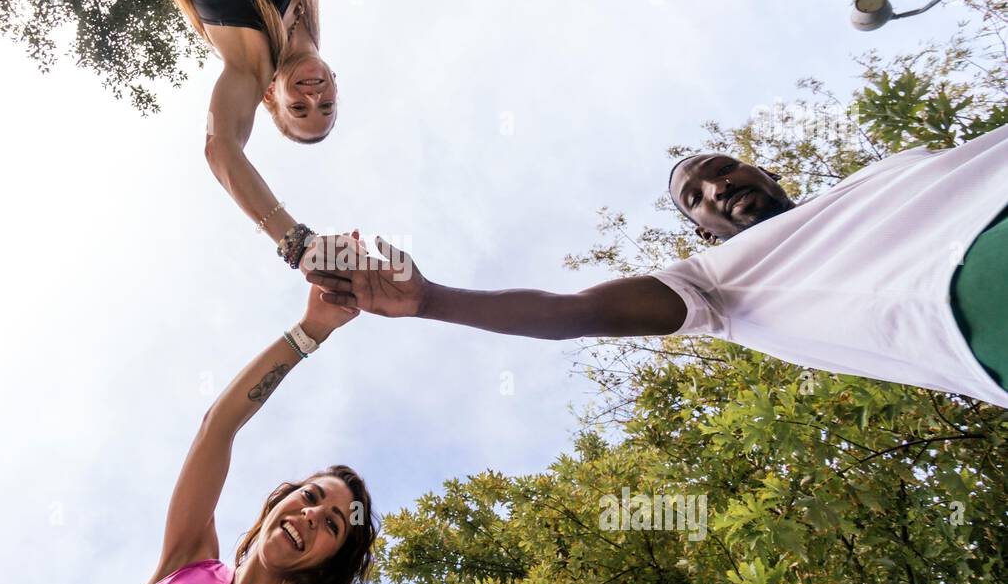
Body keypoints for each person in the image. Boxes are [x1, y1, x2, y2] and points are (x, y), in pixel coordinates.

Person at [306, 123, 1008, 408]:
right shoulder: (723, 282)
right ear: (700, 229)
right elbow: (575, 314)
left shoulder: (890, 174)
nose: (715, 189)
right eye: (695, 199)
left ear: (756, 168)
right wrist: (431, 299)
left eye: (719, 170)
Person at [0, 0, 339, 271]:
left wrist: (299, 245)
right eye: (326, 106)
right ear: (336, 83)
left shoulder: (249, 59)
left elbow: (223, 152)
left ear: (271, 96)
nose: (313, 97)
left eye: (299, 110)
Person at [56, 284, 376, 584]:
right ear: (280, 500)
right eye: (310, 497)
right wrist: (309, 331)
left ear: (328, 567)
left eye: (333, 525)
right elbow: (218, 427)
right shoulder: (189, 562)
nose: (312, 514)